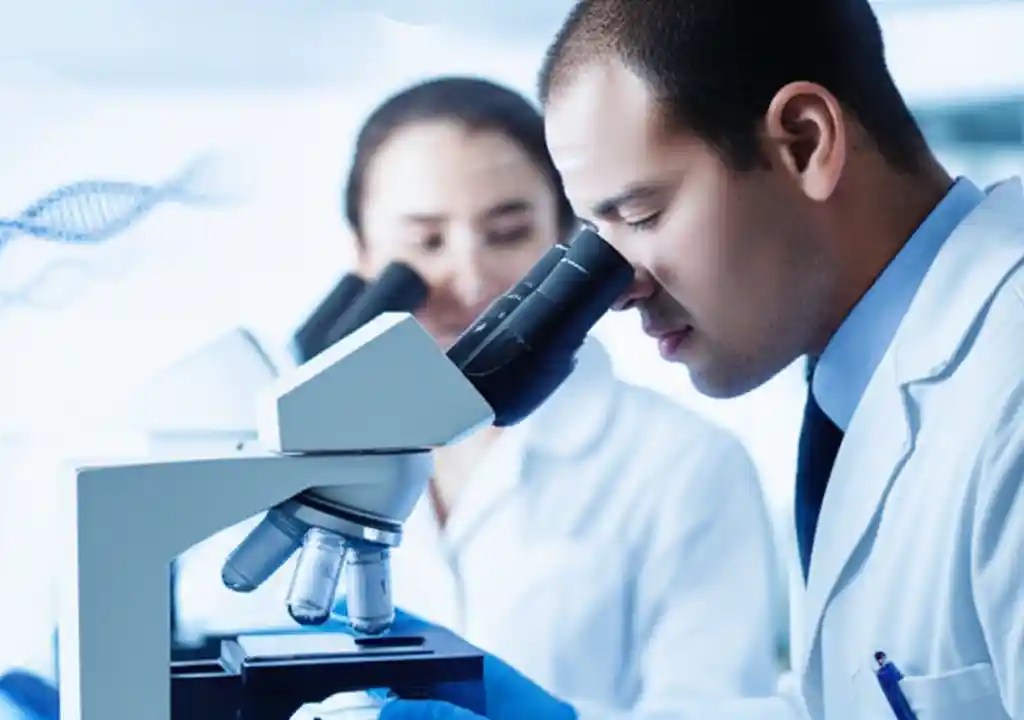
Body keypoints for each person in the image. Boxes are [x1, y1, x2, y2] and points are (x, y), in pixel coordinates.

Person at [0, 76, 782, 719]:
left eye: (508, 233)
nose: (469, 279)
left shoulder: (681, 465)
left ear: (562, 241)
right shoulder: (221, 414)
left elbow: (718, 709)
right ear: (361, 253)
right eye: (423, 241)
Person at [379, 2, 1024, 720]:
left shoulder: (1009, 386)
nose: (618, 287)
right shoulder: (860, 392)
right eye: (596, 232)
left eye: (641, 216)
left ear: (804, 142)